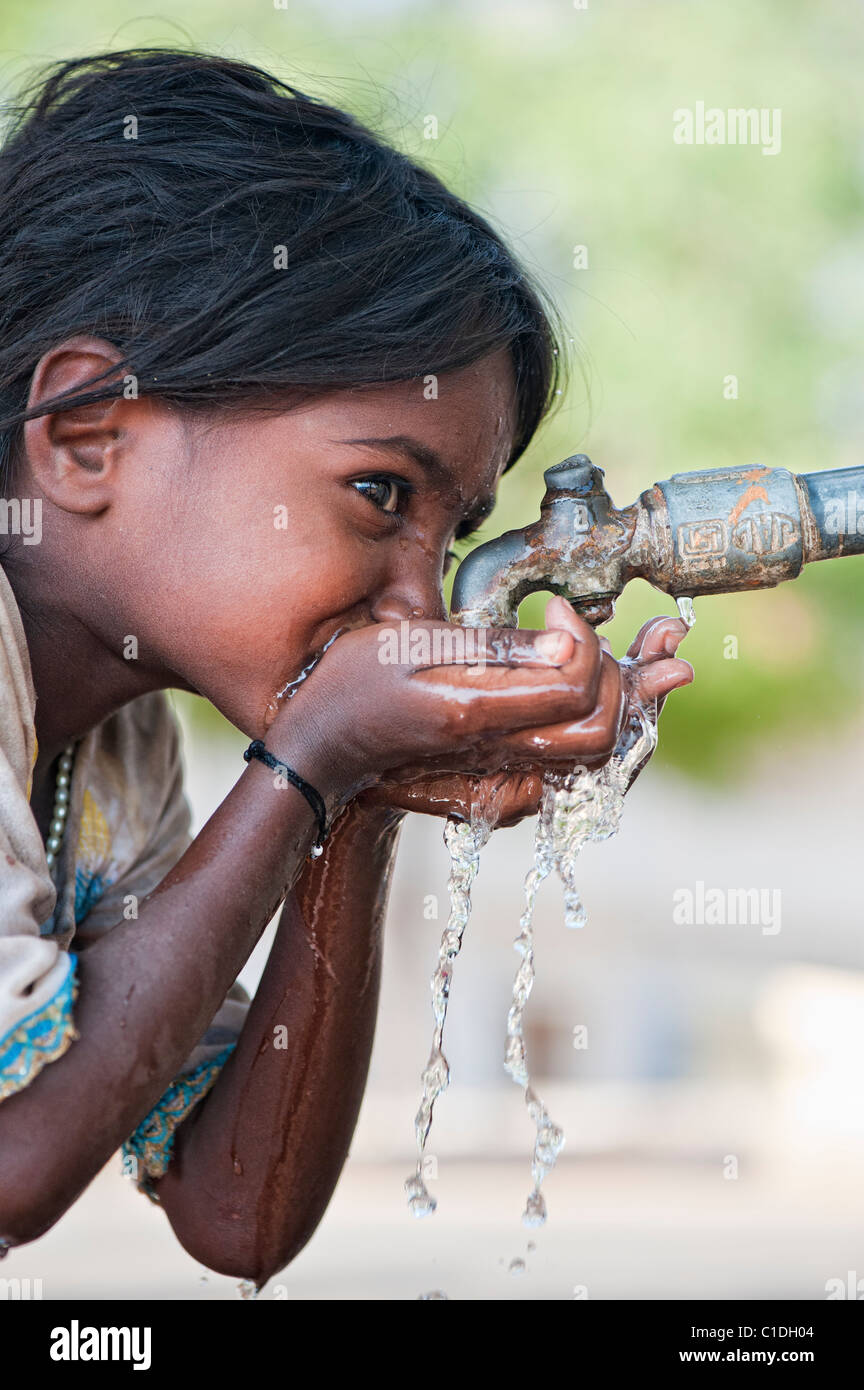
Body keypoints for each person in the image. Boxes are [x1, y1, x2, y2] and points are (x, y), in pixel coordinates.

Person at [0, 48, 692, 1285]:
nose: (419, 599)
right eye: (382, 494)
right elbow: (11, 1162)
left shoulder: (113, 738)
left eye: (454, 532)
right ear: (85, 436)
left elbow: (236, 1215)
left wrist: (360, 796)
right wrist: (312, 759)